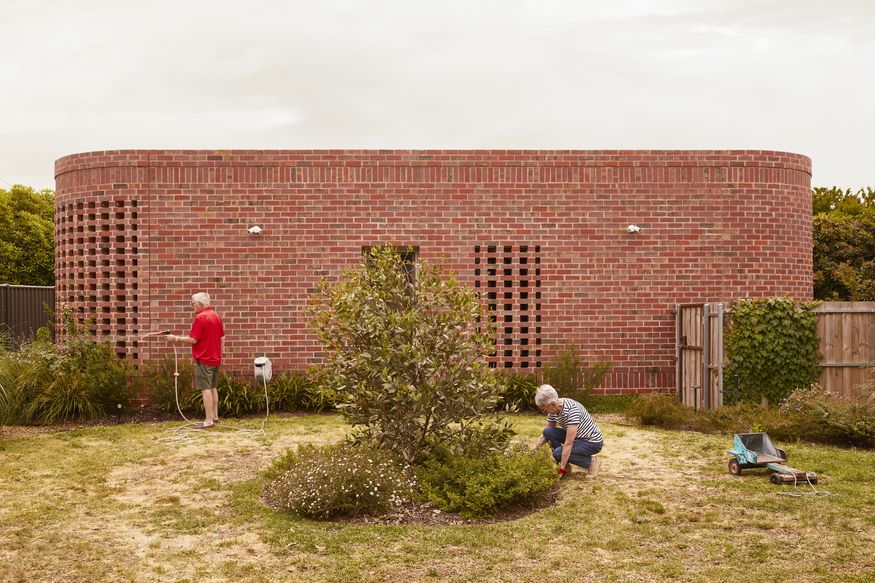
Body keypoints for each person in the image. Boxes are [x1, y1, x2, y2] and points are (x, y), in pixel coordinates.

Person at [166, 292, 225, 429]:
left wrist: (176, 338)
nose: (192, 306)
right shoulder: (216, 316)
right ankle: (215, 417)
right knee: (213, 387)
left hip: (204, 359)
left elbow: (193, 339)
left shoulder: (201, 317)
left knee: (205, 389)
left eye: (193, 304)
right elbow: (222, 338)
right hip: (216, 358)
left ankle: (208, 421)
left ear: (200, 304)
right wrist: (219, 354)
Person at [532, 384, 603, 477]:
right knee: (548, 431)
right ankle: (566, 465)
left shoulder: (572, 410)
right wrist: (532, 450)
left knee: (557, 453)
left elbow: (568, 443)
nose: (544, 411)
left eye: (544, 408)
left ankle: (592, 462)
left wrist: (561, 470)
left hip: (591, 442)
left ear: (552, 405)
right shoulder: (553, 409)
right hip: (577, 438)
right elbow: (547, 434)